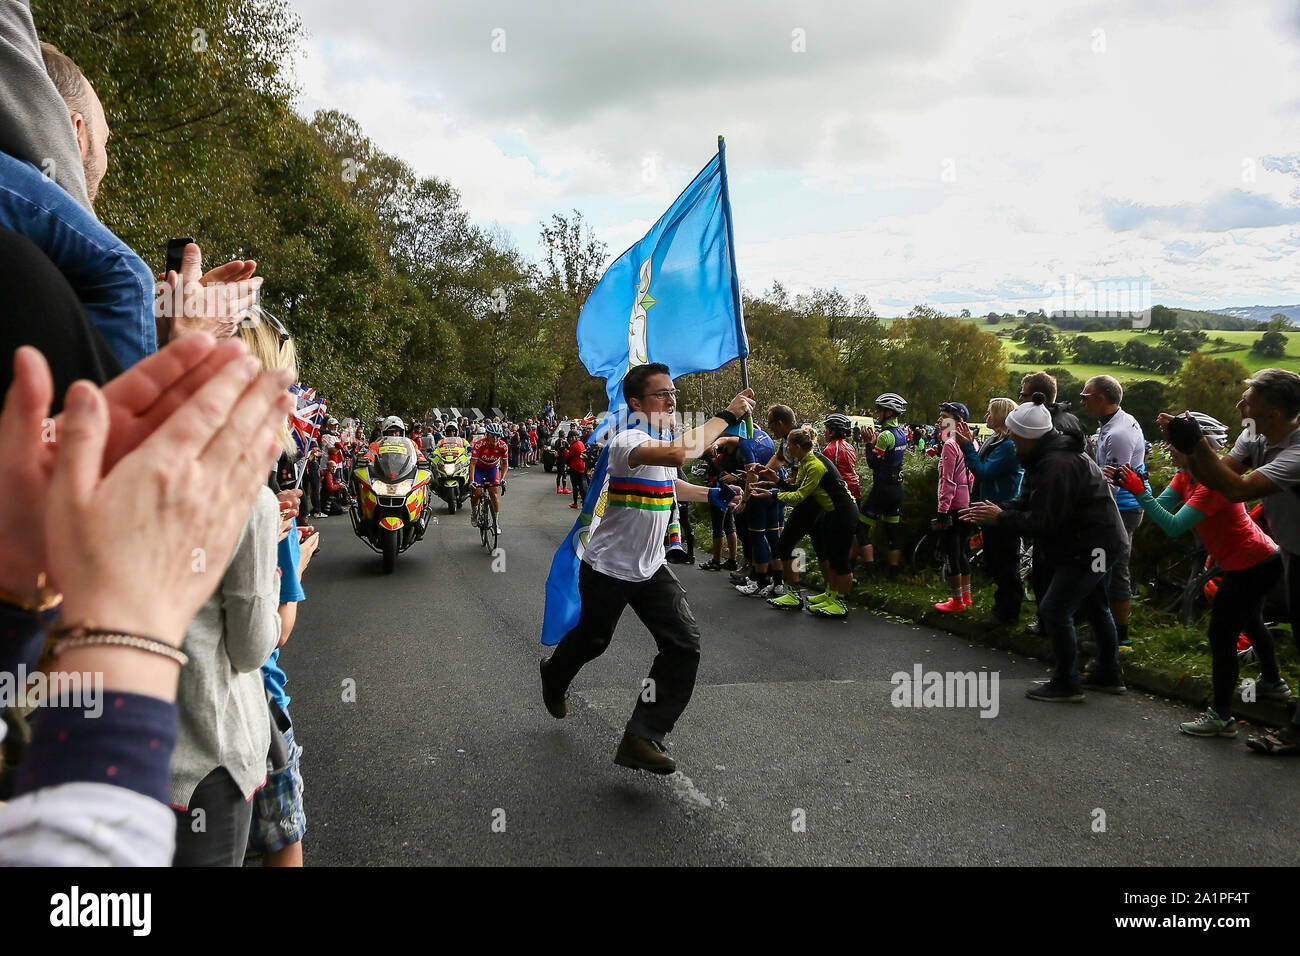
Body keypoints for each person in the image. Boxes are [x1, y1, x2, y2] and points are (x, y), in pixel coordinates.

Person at [0, 336, 296, 865]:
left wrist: (19, 600)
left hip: (90, 735)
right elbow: (252, 648)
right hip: (208, 754)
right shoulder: (251, 497)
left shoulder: (122, 470)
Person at [539, 365, 753, 774]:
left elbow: (671, 483)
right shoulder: (627, 441)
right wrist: (727, 416)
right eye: (662, 394)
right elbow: (678, 455)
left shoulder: (661, 443)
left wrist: (715, 494)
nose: (672, 400)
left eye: (673, 392)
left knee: (683, 644)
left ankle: (642, 736)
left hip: (651, 567)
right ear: (636, 404)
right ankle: (555, 674)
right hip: (609, 568)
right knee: (593, 641)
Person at [1109, 412, 1290, 738]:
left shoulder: (1214, 483)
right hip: (1250, 559)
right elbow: (1160, 508)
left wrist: (1139, 492)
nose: (1168, 448)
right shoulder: (1186, 475)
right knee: (1252, 621)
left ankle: (1221, 716)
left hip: (1255, 562)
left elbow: (1173, 525)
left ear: (1199, 445)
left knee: (1221, 636)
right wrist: (1134, 481)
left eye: (1175, 443)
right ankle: (1273, 683)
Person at [963, 394, 1127, 702]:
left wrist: (1001, 517)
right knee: (1094, 605)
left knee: (1054, 608)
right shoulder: (1044, 458)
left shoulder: (1057, 465)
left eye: (1015, 438)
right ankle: (1109, 672)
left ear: (1030, 437)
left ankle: (1067, 681)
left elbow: (1044, 521)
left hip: (1094, 547)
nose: (1012, 444)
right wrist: (996, 508)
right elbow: (1029, 502)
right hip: (1096, 541)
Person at [1169, 368, 1300, 753]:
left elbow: (1233, 489)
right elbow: (1218, 475)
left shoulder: (1296, 453)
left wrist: (1196, 445)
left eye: (1248, 402)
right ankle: (1277, 694)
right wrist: (1189, 449)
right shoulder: (1254, 431)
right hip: (1288, 548)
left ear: (1274, 414)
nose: (1240, 405)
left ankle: (1290, 729)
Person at [759, 427, 860, 618]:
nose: (786, 449)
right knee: (830, 553)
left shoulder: (815, 465)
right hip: (832, 512)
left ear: (797, 446)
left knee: (840, 560)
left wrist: (772, 494)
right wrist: (776, 481)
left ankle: (840, 603)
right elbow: (798, 486)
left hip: (844, 512)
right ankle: (832, 596)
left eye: (789, 445)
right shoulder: (806, 460)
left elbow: (799, 496)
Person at [1080, 375, 1149, 654]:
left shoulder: (1119, 433)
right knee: (1102, 567)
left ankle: (1120, 637)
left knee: (1114, 569)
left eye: (1086, 396)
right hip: (1119, 505)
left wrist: (1099, 518)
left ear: (1102, 397)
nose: (1082, 401)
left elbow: (1115, 483)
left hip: (1122, 508)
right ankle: (1102, 626)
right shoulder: (1114, 422)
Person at [954, 399, 1025, 625]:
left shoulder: (1007, 446)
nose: (986, 416)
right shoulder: (997, 440)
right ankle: (1001, 607)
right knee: (995, 558)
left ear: (1002, 416)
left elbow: (984, 472)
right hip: (990, 506)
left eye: (990, 412)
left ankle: (1008, 612)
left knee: (1005, 561)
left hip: (1002, 507)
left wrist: (967, 447)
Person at [859, 392, 909, 578]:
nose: (876, 412)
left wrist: (867, 444)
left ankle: (870, 573)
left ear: (890, 412)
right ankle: (893, 575)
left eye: (879, 409)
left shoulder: (885, 436)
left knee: (861, 528)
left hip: (882, 489)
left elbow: (874, 463)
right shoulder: (902, 434)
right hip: (897, 489)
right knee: (892, 532)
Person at [934, 402, 976, 613]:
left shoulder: (950, 444)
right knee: (962, 553)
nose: (940, 421)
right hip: (967, 503)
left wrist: (942, 510)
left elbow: (947, 481)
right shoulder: (971, 443)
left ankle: (956, 600)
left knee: (951, 553)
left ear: (956, 421)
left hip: (953, 506)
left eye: (944, 417)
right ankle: (967, 597)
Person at [470, 421, 510, 531]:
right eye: (493, 435)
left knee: (494, 495)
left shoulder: (503, 446)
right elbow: (472, 464)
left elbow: (505, 464)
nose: (495, 438)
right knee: (477, 493)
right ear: (487, 435)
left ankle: (496, 522)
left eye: (498, 436)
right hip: (479, 468)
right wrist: (471, 481)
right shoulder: (479, 445)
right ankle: (474, 512)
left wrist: (502, 478)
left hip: (492, 469)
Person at [566, 428, 589, 509]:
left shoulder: (574, 446)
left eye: (571, 437)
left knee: (575, 486)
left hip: (575, 468)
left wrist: (565, 453)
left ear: (574, 437)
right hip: (582, 466)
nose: (570, 439)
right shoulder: (581, 443)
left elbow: (569, 457)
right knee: (582, 486)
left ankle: (575, 503)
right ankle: (584, 503)